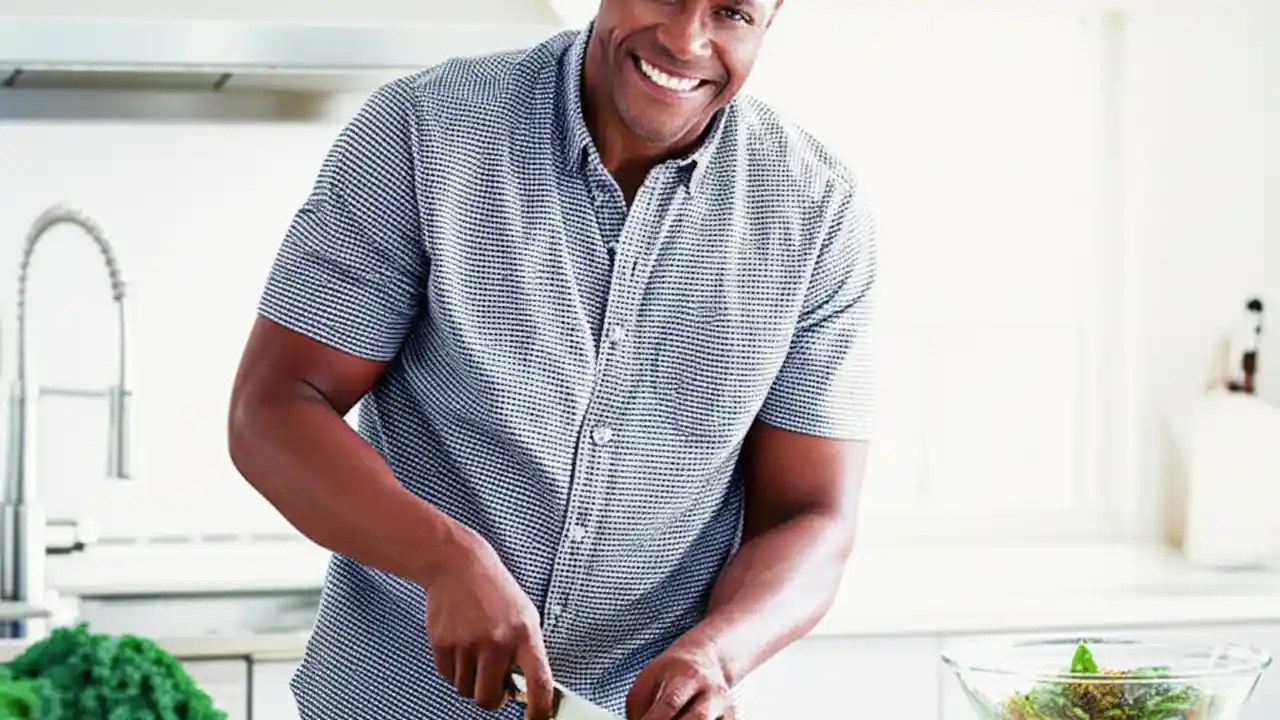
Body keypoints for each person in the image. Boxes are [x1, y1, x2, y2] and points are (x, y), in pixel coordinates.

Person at [227, 0, 876, 718]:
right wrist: (444, 556)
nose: (687, 39)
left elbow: (812, 515)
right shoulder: (426, 131)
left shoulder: (817, 213)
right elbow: (275, 407)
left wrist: (717, 653)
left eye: (730, 12)